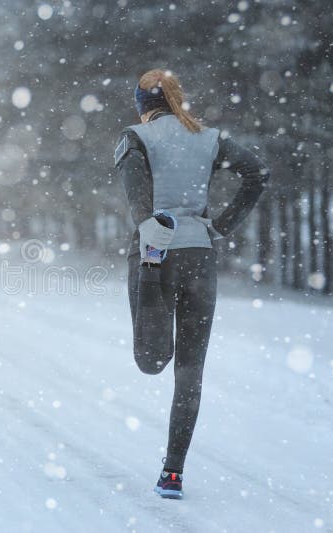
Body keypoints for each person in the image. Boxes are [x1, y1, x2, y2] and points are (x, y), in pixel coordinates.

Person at [114, 69, 270, 499]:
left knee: (150, 360)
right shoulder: (209, 138)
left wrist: (149, 225)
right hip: (200, 256)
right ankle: (173, 471)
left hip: (153, 257)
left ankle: (172, 471)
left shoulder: (134, 138)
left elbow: (137, 199)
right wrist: (220, 226)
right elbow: (258, 174)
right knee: (190, 370)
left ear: (142, 104)